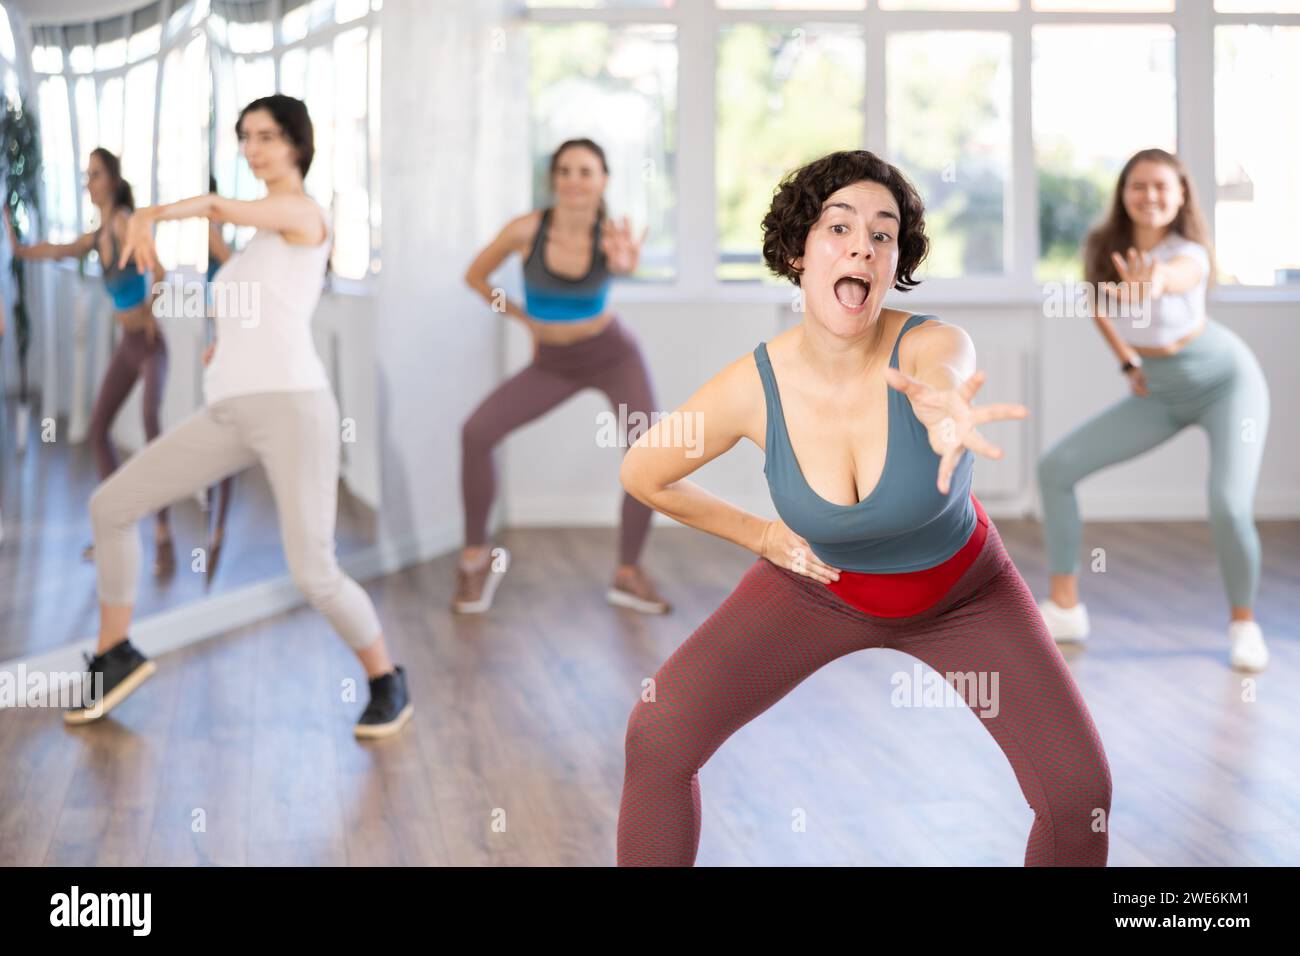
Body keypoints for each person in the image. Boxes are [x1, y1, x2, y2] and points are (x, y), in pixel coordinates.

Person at [616, 149, 1111, 866]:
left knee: (1078, 796)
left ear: (894, 262)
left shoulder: (934, 345)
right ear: (798, 252)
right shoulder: (754, 386)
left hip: (963, 595)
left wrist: (945, 410)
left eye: (883, 235)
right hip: (815, 588)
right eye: (839, 227)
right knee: (657, 737)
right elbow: (644, 471)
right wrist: (761, 534)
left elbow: (943, 374)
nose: (863, 245)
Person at [67, 94, 412, 738]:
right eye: (247, 136)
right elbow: (258, 295)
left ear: (298, 146)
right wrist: (224, 338)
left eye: (269, 136)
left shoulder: (303, 213)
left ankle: (387, 680)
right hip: (228, 411)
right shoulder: (258, 241)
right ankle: (115, 654)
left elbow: (220, 205)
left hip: (293, 410)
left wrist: (151, 214)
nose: (254, 148)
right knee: (110, 507)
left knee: (314, 572)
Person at [1037, 148, 1271, 672]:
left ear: (1181, 194)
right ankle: (1066, 607)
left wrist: (1155, 283)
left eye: (1162, 186)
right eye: (1138, 186)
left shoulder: (1189, 252)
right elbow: (1097, 306)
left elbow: (1179, 277)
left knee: (1229, 505)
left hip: (1227, 383)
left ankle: (1244, 624)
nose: (1150, 196)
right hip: (1159, 393)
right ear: (1123, 193)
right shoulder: (1103, 246)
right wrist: (1127, 362)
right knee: (1056, 468)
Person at [457, 137, 669, 615]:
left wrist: (625, 264)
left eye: (585, 171)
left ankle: (628, 572)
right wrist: (521, 317)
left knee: (649, 457)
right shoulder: (527, 230)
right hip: (552, 363)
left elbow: (623, 264)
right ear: (554, 179)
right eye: (565, 170)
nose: (574, 180)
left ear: (603, 181)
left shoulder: (612, 233)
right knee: (476, 433)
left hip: (613, 355)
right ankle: (474, 560)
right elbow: (475, 276)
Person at [6, 148, 173, 574]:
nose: (89, 182)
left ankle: (163, 533)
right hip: (127, 345)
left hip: (150, 344)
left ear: (113, 181)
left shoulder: (121, 223)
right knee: (99, 430)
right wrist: (17, 246)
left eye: (95, 174)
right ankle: (115, 528)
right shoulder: (98, 235)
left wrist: (151, 314)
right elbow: (57, 249)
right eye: (86, 175)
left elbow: (160, 271)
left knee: (154, 429)